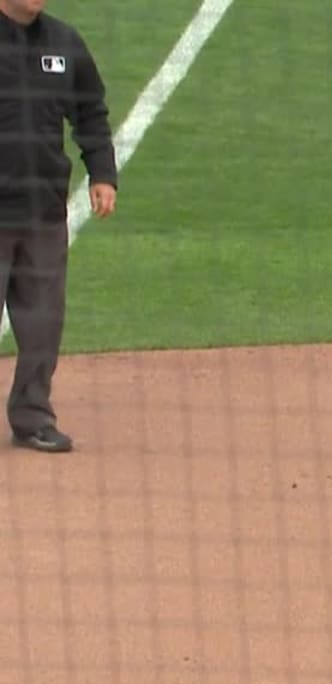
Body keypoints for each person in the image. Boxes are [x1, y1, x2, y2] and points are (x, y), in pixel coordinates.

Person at [0, 0, 118, 453]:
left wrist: (103, 173)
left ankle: (31, 416)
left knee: (43, 324)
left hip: (43, 214)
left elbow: (91, 112)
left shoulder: (64, 44)